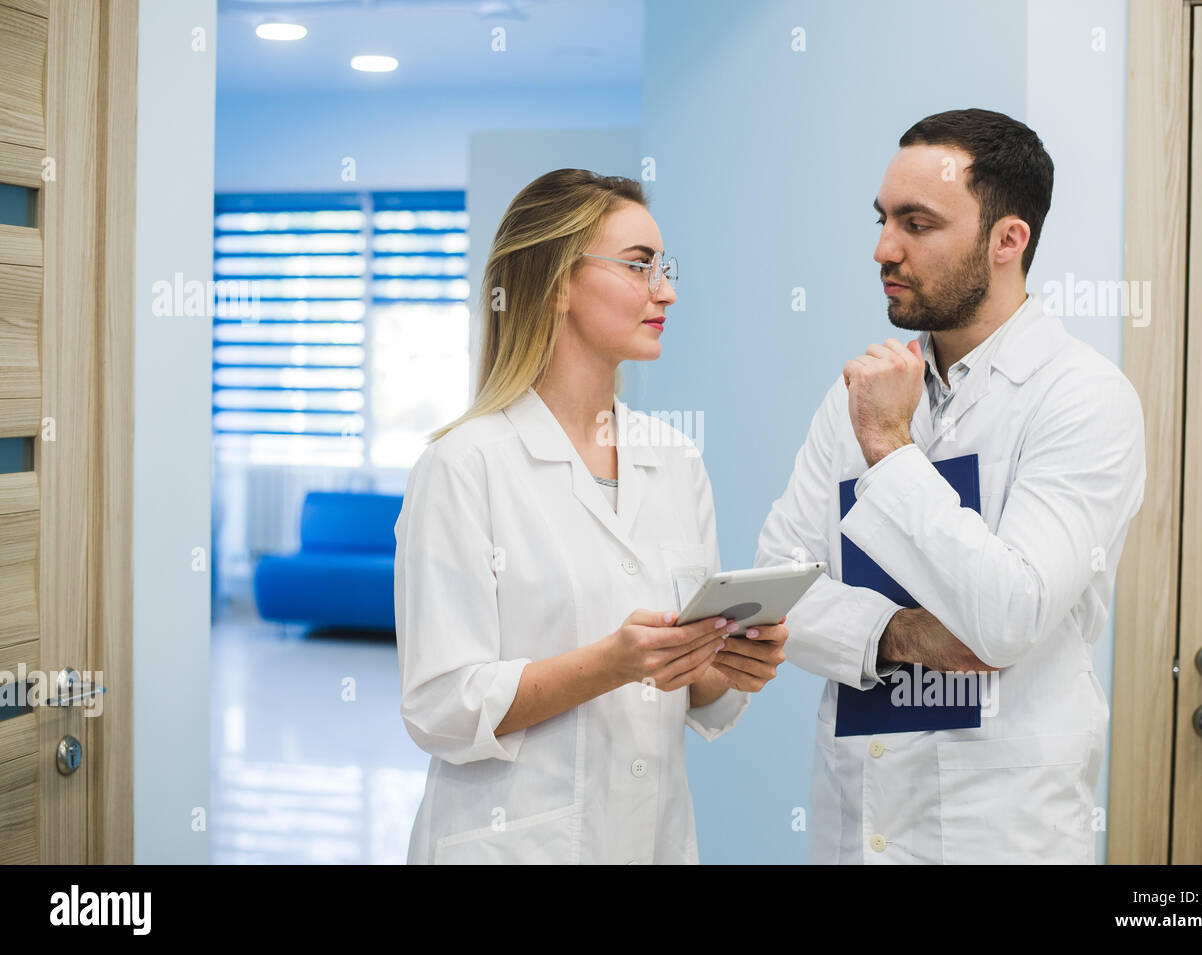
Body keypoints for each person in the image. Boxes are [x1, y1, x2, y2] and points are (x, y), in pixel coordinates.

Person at [755, 109, 1145, 864]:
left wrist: (891, 449)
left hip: (999, 834)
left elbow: (1006, 616)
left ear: (1008, 240)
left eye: (917, 222)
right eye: (882, 219)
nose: (883, 248)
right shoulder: (861, 391)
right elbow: (779, 585)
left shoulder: (1083, 398)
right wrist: (894, 634)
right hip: (853, 825)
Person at [395, 168, 788, 865]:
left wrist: (729, 661)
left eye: (664, 268)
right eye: (639, 266)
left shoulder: (675, 460)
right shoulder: (464, 465)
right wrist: (608, 663)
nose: (664, 290)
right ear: (555, 284)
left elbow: (695, 695)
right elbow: (440, 703)